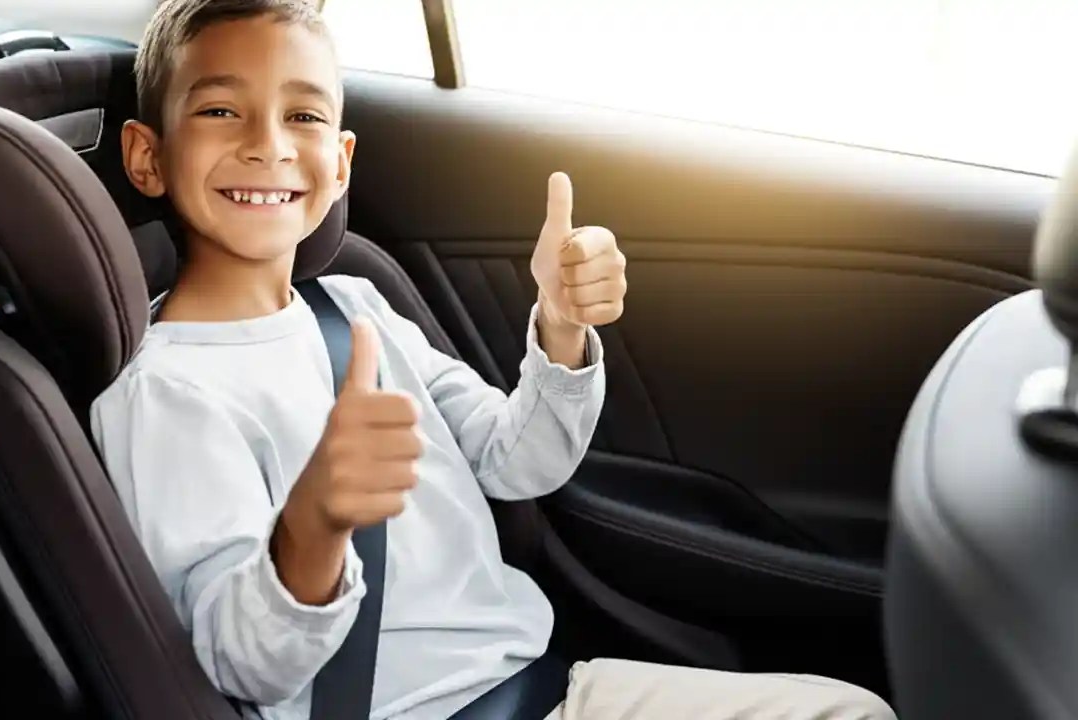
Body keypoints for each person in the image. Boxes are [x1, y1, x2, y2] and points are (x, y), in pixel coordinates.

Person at [89, 1, 898, 718]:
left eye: (302, 117)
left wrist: (559, 325)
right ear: (147, 156)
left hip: (547, 687)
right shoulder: (162, 392)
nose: (268, 146)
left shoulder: (353, 311)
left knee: (851, 710)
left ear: (339, 163)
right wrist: (315, 521)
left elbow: (518, 460)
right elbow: (241, 662)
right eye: (223, 110)